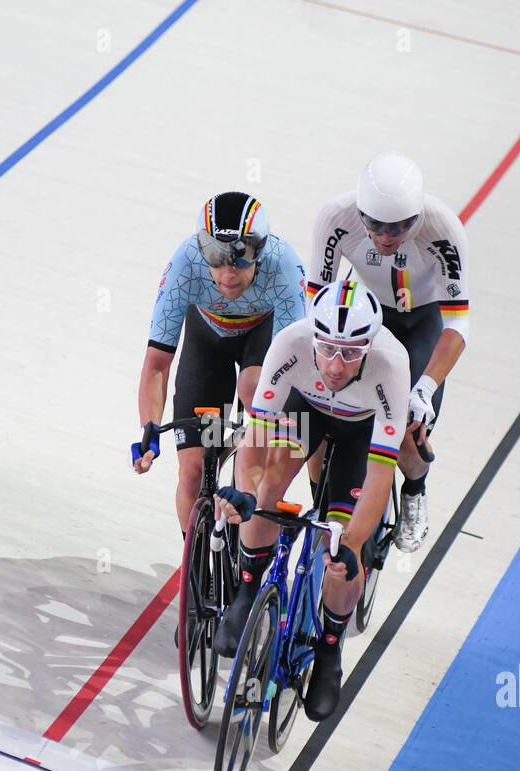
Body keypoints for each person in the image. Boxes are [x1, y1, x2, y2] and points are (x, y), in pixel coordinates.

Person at [213, 278, 409, 722]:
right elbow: (256, 438)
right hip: (307, 414)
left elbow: (379, 475)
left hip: (362, 431)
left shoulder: (392, 367)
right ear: (313, 337)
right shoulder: (291, 344)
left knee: (340, 549)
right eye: (328, 349)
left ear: (369, 347)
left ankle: (329, 649)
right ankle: (247, 590)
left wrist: (354, 545)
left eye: (351, 353)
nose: (337, 365)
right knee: (266, 494)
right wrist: (244, 492)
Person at [305, 152, 471, 552]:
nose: (385, 235)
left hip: (420, 324)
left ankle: (415, 489)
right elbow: (316, 299)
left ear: (417, 217)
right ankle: (322, 501)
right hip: (363, 315)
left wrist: (426, 386)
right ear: (360, 211)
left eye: (398, 227)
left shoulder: (443, 228)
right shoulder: (336, 218)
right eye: (375, 224)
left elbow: (458, 324)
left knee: (407, 429)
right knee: (321, 404)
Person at [132, 192, 307, 534]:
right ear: (202, 249)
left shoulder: (284, 264)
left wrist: (264, 427)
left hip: (263, 340)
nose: (228, 272)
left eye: (241, 256)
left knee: (253, 393)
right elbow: (156, 363)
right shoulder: (186, 262)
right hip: (208, 341)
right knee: (192, 472)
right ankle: (195, 570)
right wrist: (149, 429)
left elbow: (294, 367)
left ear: (261, 249)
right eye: (215, 255)